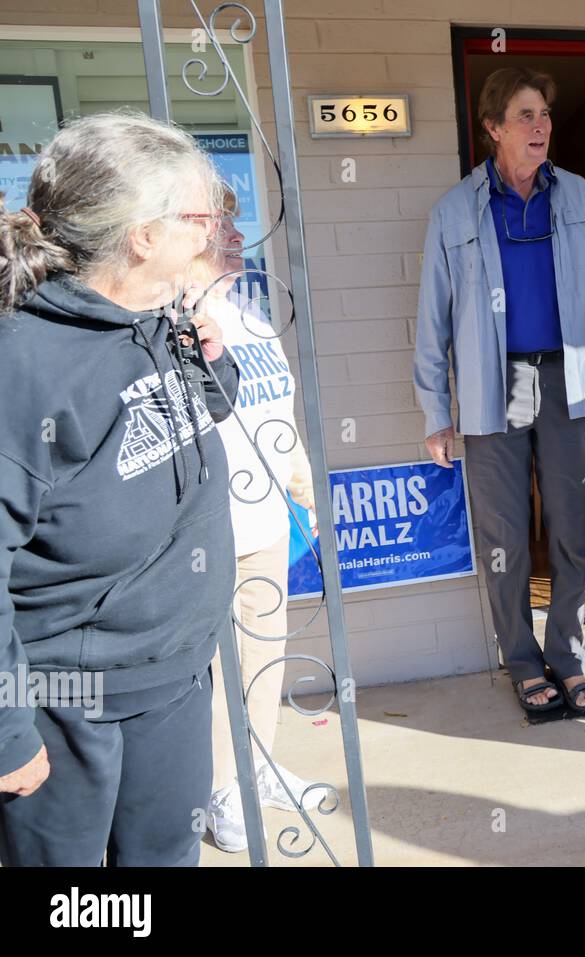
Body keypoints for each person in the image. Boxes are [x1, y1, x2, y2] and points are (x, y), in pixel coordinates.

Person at [0, 110, 240, 865]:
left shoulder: (155, 317)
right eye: (199, 218)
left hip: (172, 679)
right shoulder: (24, 364)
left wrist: (212, 367)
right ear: (144, 235)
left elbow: (181, 430)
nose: (211, 235)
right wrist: (7, 731)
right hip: (67, 705)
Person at [414, 67, 585, 716]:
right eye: (526, 116)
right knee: (505, 534)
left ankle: (567, 654)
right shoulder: (456, 211)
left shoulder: (581, 200)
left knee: (570, 527)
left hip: (570, 379)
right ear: (493, 128)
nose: (541, 127)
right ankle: (521, 657)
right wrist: (436, 411)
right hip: (492, 385)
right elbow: (432, 318)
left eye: (545, 115)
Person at [197, 186, 323, 853]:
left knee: (265, 658)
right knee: (221, 670)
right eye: (219, 223)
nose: (236, 234)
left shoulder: (251, 314)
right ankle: (223, 790)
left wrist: (303, 481)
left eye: (235, 221)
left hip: (268, 521)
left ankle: (262, 766)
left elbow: (279, 411)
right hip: (208, 530)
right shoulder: (176, 322)